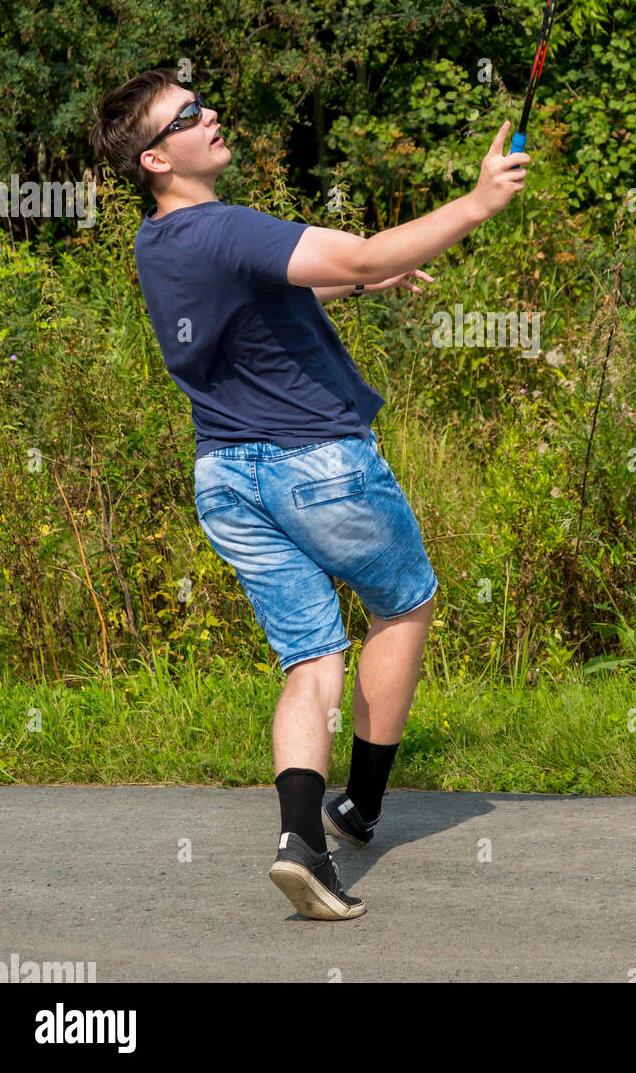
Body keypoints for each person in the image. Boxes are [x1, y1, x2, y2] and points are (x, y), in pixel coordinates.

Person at [89, 69, 528, 920]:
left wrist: (360, 284)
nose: (210, 113)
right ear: (153, 156)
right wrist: (475, 203)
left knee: (310, 659)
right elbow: (362, 249)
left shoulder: (160, 244)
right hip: (320, 468)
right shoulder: (227, 228)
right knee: (403, 606)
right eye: (188, 114)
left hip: (225, 479)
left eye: (203, 99)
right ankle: (361, 807)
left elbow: (269, 305)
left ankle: (303, 845)